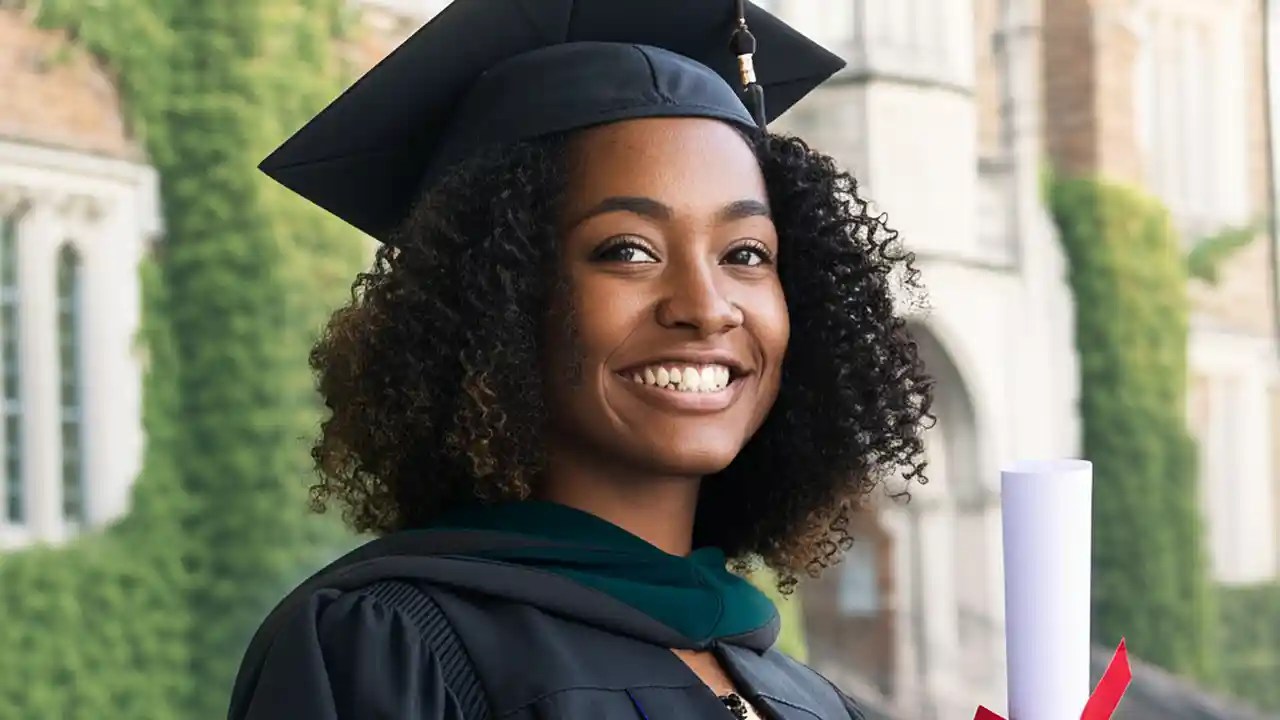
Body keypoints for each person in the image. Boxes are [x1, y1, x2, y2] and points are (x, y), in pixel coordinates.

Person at [228, 0, 932, 718]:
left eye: (746, 254)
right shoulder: (387, 649)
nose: (708, 304)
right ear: (494, 300)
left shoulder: (814, 702)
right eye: (626, 250)